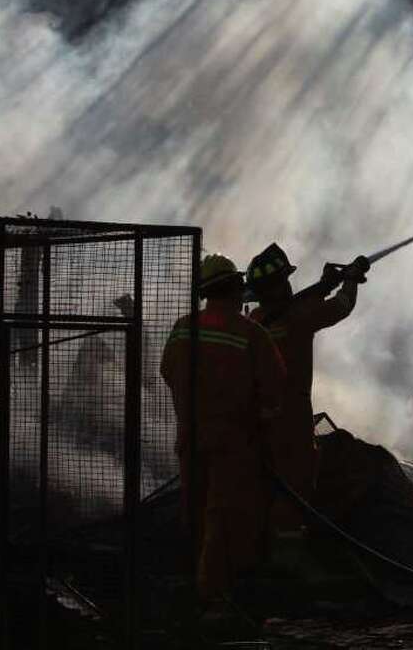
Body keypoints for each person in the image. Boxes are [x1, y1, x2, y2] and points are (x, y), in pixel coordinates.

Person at [160, 253, 287, 626]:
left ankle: (193, 587)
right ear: (234, 288)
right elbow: (275, 386)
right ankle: (214, 599)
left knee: (195, 511)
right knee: (224, 517)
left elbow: (167, 370)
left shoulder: (183, 328)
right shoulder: (251, 334)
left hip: (190, 437)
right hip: (234, 443)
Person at [246, 243, 369, 537]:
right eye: (285, 280)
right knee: (296, 485)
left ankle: (260, 542)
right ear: (279, 286)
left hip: (257, 420)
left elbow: (295, 306)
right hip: (292, 418)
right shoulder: (298, 319)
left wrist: (323, 286)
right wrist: (351, 279)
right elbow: (342, 306)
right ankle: (285, 547)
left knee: (264, 484)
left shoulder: (255, 321)